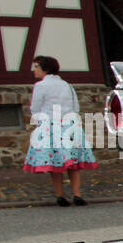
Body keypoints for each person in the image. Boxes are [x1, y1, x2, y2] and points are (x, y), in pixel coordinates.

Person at [26, 55, 96, 206]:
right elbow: (75, 107)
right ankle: (77, 194)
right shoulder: (67, 86)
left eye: (36, 67)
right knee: (73, 162)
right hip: (69, 125)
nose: (34, 70)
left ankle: (60, 195)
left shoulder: (40, 86)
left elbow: (35, 108)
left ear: (45, 68)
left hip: (50, 125)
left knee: (55, 163)